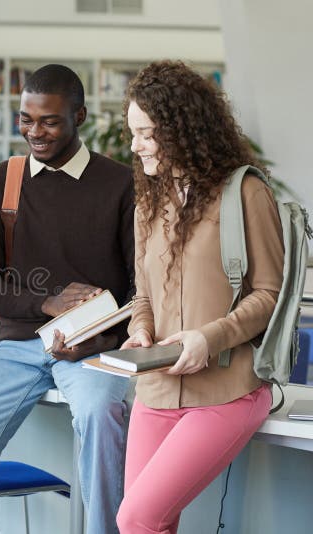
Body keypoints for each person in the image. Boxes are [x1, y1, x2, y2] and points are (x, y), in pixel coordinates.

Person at [0, 64, 135, 534]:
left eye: (48, 120)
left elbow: (140, 288)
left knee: (102, 417)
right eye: (26, 119)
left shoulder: (122, 184)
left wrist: (102, 338)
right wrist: (47, 302)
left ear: (80, 116)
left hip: (94, 353)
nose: (35, 131)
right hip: (17, 349)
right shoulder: (1, 182)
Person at [115, 60, 283, 533]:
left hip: (227, 393)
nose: (135, 146)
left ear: (181, 128)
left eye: (146, 133)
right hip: (157, 390)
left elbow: (270, 294)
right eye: (133, 132)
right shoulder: (149, 199)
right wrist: (141, 329)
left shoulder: (246, 192)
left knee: (136, 517)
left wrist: (209, 339)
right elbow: (142, 293)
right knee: (150, 525)